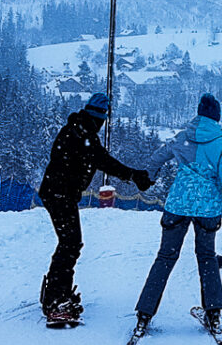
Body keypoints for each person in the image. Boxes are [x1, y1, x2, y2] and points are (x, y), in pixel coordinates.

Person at [132, 94, 222, 345]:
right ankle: (213, 314)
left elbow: (156, 158)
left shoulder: (182, 136)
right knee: (207, 258)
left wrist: (148, 176)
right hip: (207, 208)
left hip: (178, 204)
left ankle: (144, 313)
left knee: (165, 257)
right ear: (217, 116)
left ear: (198, 113)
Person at [37, 92, 153, 324]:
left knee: (70, 243)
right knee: (70, 243)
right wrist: (133, 175)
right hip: (59, 193)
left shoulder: (79, 130)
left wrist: (131, 175)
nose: (102, 125)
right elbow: (103, 160)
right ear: (98, 118)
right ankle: (55, 300)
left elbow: (99, 159)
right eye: (102, 120)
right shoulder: (80, 134)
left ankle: (57, 293)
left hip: (59, 193)